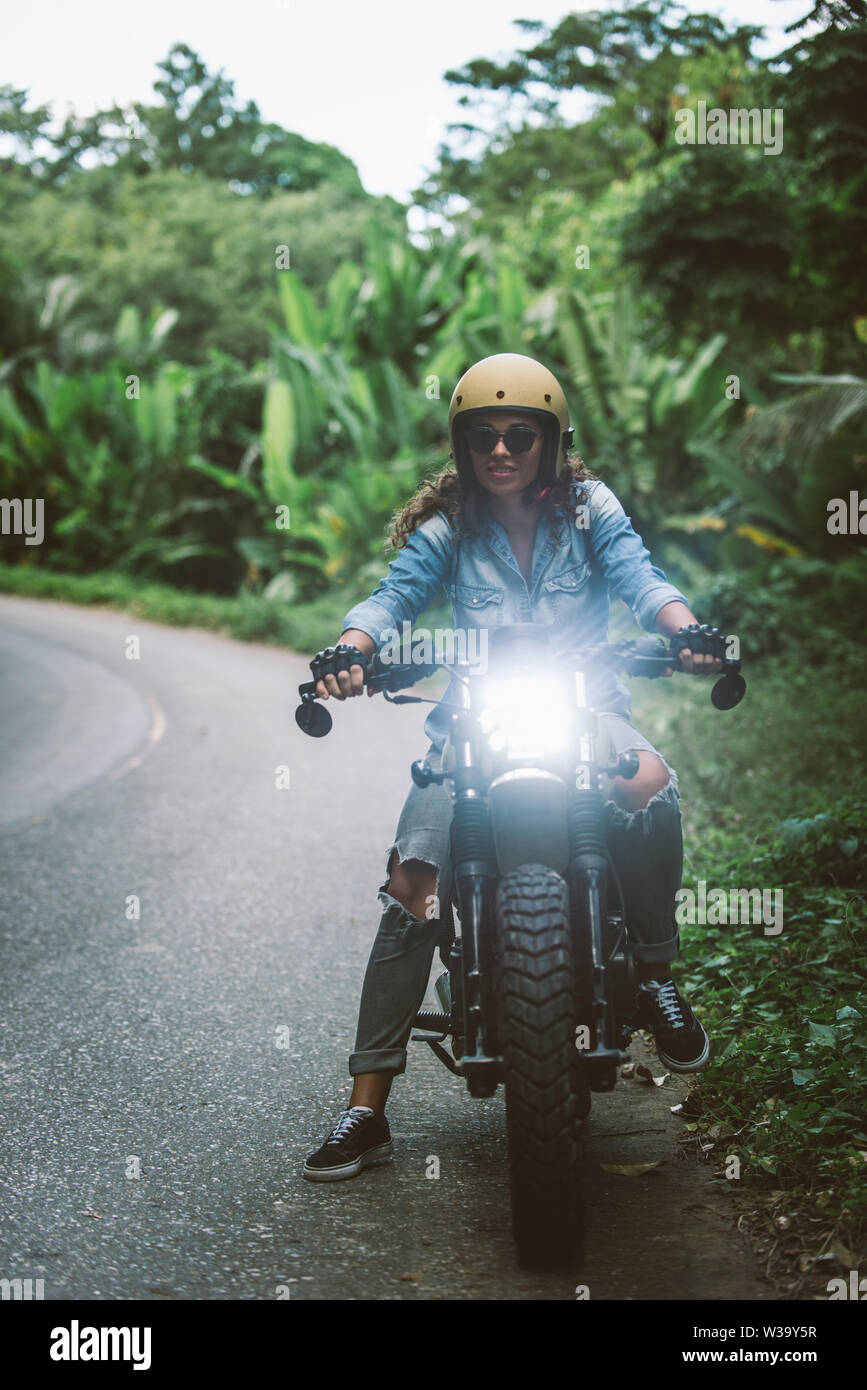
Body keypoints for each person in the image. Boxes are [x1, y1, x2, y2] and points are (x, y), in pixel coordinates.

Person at [302, 352, 724, 1182]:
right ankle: (365, 1107)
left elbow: (641, 576)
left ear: (550, 440)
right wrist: (349, 651)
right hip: (475, 720)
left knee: (649, 785)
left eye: (519, 434)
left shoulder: (588, 505)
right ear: (463, 445)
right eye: (484, 435)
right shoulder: (450, 525)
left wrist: (684, 630)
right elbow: (392, 596)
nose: (502, 449)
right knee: (414, 883)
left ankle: (653, 974)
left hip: (583, 705)